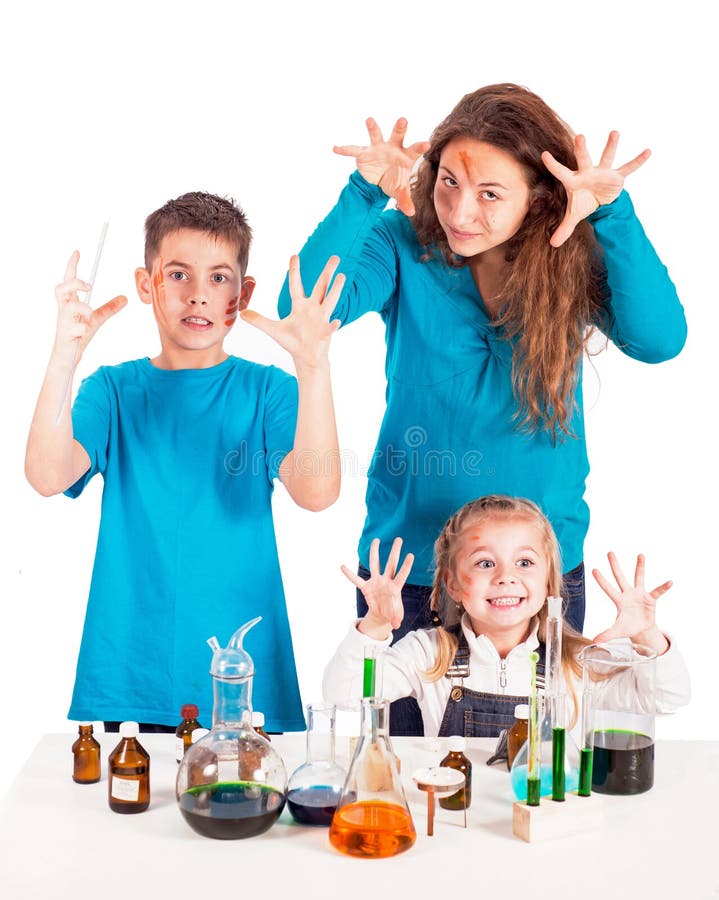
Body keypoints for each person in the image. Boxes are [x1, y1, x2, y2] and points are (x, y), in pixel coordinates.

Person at [279, 82, 686, 734]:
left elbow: (660, 340)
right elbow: (306, 307)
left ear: (539, 198)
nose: (459, 211)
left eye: (489, 193)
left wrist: (611, 214)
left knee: (526, 779)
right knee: (408, 783)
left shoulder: (569, 255)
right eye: (446, 182)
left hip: (537, 579)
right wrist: (363, 193)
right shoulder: (400, 243)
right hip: (409, 575)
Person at [25, 191, 344, 732]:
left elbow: (317, 493)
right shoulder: (113, 389)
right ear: (147, 284)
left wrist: (314, 369)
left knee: (240, 812)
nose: (198, 295)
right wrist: (64, 357)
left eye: (219, 278)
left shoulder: (268, 390)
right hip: (136, 665)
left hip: (242, 671)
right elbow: (47, 475)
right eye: (178, 275)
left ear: (241, 295)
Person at [323, 495, 690, 738]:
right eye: (485, 562)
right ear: (452, 584)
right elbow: (343, 694)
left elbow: (668, 698)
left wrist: (648, 637)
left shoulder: (574, 662)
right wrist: (373, 626)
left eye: (525, 562)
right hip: (458, 821)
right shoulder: (429, 653)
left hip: (542, 827)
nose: (505, 576)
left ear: (548, 583)